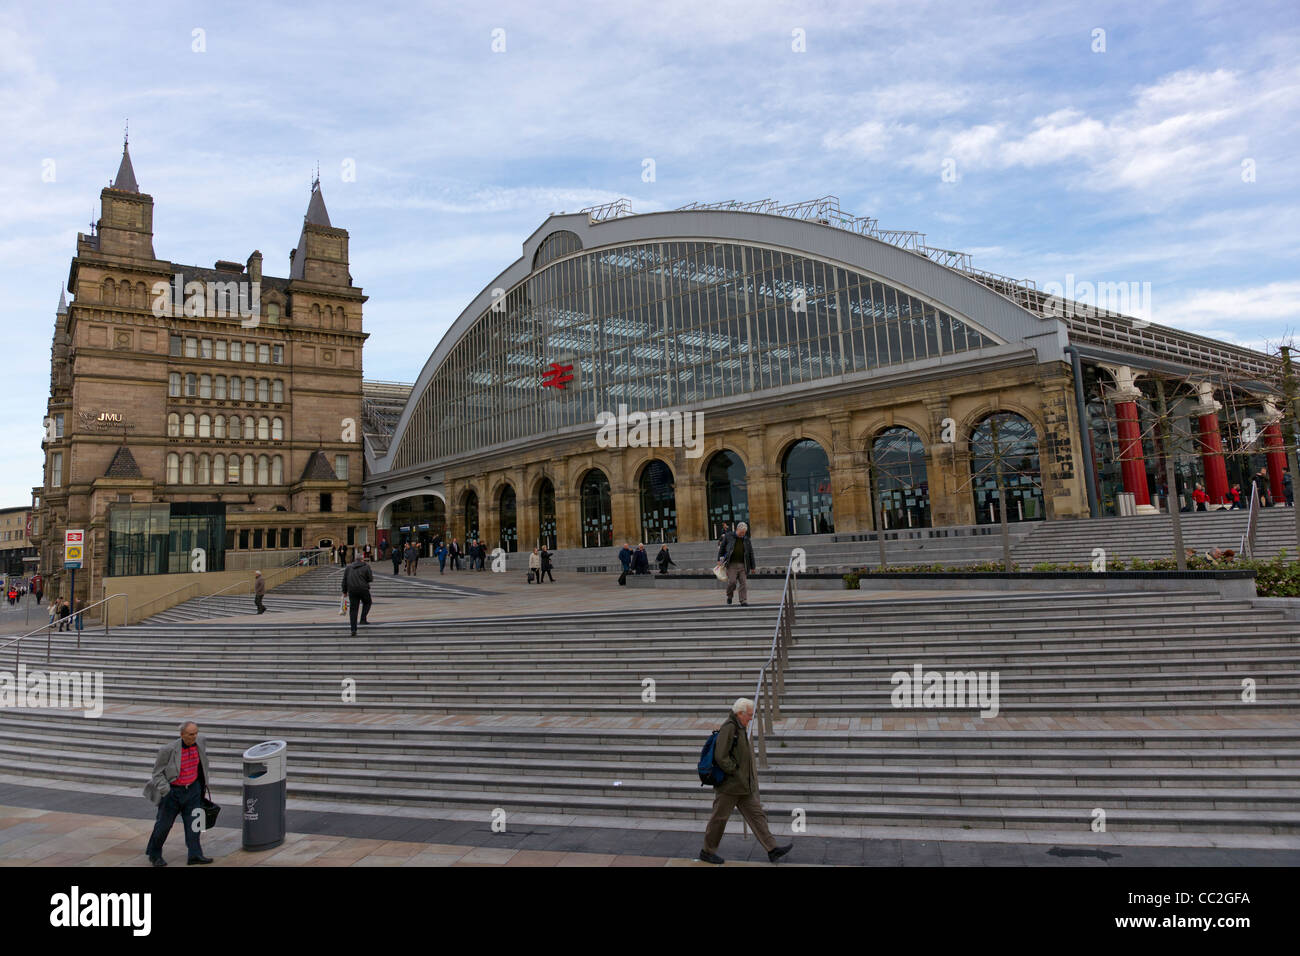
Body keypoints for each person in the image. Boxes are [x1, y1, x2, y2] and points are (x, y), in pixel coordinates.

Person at [698, 698, 792, 865]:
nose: (751, 717)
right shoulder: (730, 728)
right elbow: (720, 756)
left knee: (757, 816)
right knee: (719, 820)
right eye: (749, 714)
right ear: (740, 713)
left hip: (742, 786)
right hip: (729, 786)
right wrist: (734, 770)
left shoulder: (740, 728)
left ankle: (772, 849)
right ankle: (707, 852)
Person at [143, 720, 213, 866]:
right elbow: (157, 773)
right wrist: (166, 791)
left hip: (193, 790)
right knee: (164, 825)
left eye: (196, 733)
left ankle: (195, 855)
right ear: (182, 734)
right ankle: (155, 855)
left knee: (194, 825)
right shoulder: (168, 750)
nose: (194, 737)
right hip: (173, 792)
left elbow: (203, 764)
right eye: (190, 734)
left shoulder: (200, 742)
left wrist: (201, 785)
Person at [717, 521, 756, 606]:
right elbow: (722, 548)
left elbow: (750, 553)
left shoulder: (746, 539)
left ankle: (743, 600)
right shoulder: (728, 536)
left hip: (743, 564)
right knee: (732, 582)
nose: (743, 534)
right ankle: (729, 595)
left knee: (743, 583)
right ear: (737, 529)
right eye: (741, 532)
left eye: (744, 533)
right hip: (731, 564)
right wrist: (719, 559)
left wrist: (753, 567)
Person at [342, 554, 373, 636]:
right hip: (363, 589)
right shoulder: (366, 566)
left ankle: (353, 629)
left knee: (353, 610)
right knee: (368, 602)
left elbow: (344, 580)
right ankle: (363, 619)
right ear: (362, 559)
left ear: (355, 559)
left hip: (352, 590)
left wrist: (344, 591)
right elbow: (370, 578)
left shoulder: (348, 567)